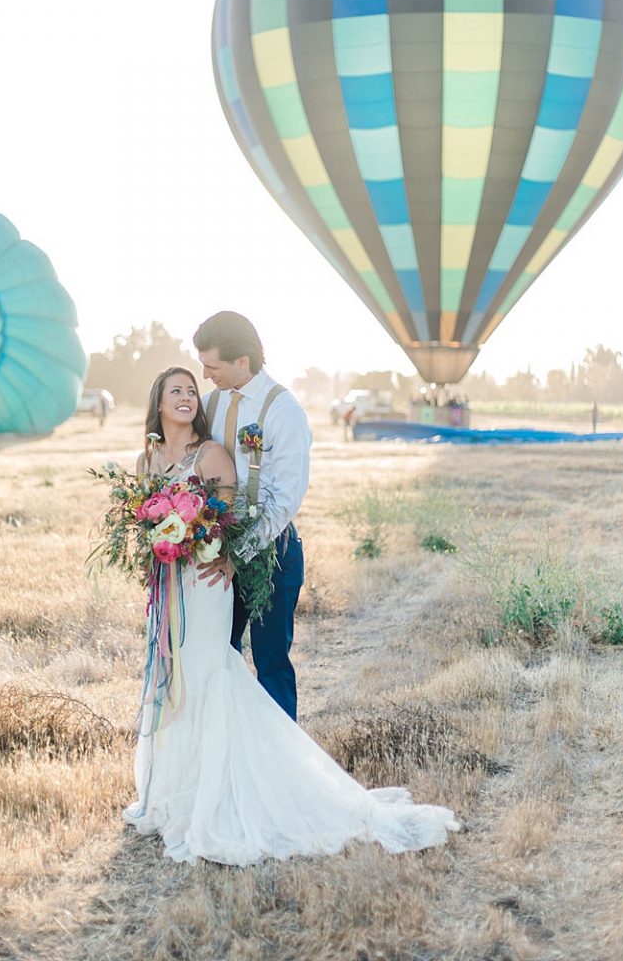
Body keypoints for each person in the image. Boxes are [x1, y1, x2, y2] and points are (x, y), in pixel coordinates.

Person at [123, 365, 460, 866]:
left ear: (235, 358)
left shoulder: (252, 427)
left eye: (198, 381)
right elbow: (140, 516)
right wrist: (157, 545)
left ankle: (269, 781)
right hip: (172, 582)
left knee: (239, 666)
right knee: (178, 673)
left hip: (216, 574)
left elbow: (239, 513)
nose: (195, 391)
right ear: (158, 400)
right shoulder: (160, 448)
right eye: (180, 388)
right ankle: (187, 783)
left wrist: (219, 549)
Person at [192, 310, 310, 721]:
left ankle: (278, 756)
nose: (205, 375)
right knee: (216, 655)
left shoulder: (284, 411)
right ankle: (226, 743)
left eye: (212, 367)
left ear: (242, 361)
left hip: (271, 552)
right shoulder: (209, 403)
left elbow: (285, 498)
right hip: (215, 553)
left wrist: (238, 554)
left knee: (271, 663)